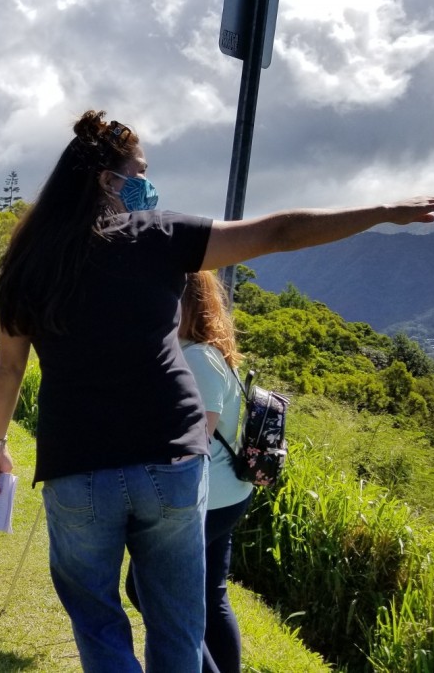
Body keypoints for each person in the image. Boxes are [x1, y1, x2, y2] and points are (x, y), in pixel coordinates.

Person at [0, 110, 434, 672]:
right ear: (106, 180)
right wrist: (383, 211)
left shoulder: (27, 261)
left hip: (77, 466)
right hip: (170, 458)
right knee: (178, 627)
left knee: (96, 620)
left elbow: (9, 370)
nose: (147, 183)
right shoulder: (157, 236)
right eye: (139, 171)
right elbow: (278, 233)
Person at [124, 270, 253, 673]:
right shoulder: (199, 351)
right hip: (225, 494)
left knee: (146, 589)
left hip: (208, 499)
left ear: (186, 304)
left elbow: (193, 440)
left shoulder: (197, 357)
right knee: (210, 596)